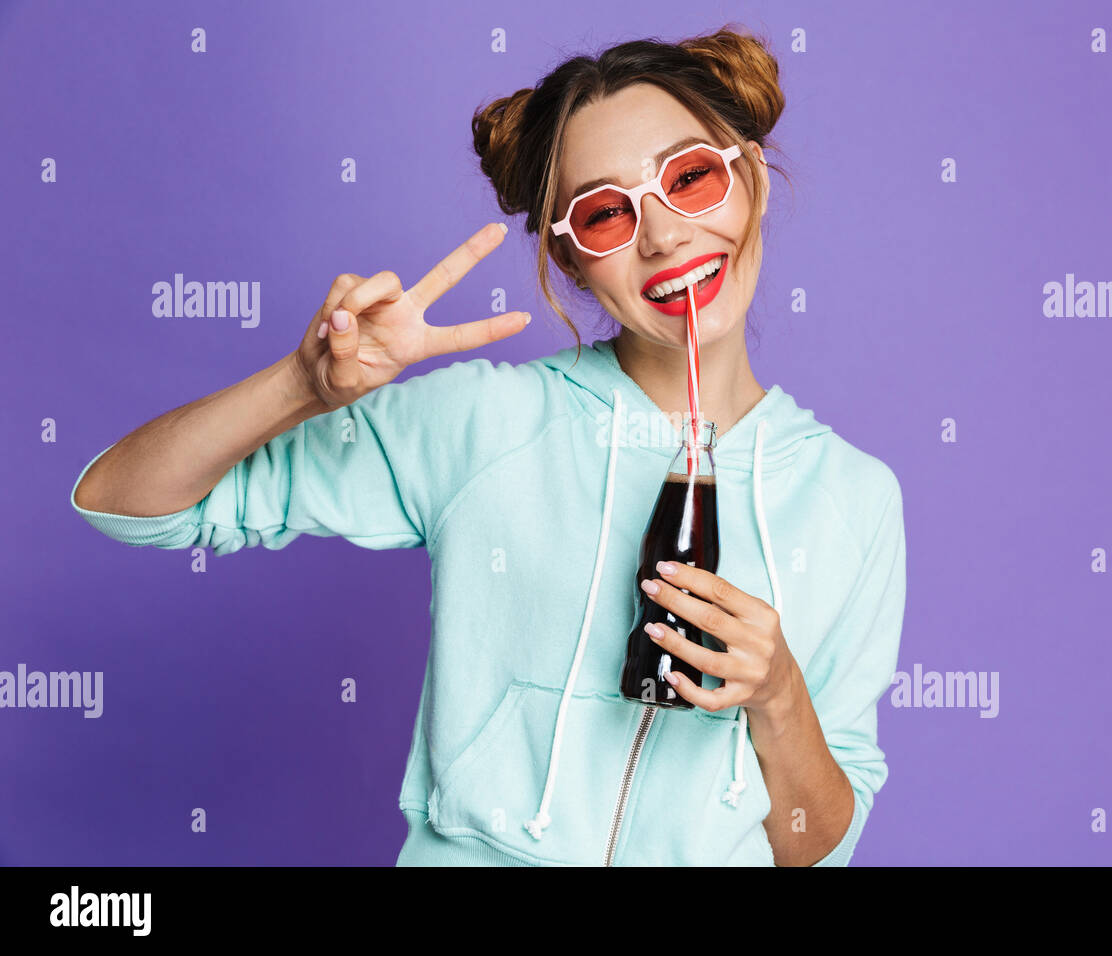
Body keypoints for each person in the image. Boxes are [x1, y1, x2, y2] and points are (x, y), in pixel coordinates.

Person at [70, 25, 906, 867]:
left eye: (690, 178)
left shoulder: (856, 498)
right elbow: (125, 502)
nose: (663, 238)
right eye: (606, 213)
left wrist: (780, 698)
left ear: (750, 178)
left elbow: (815, 848)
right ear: (572, 262)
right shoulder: (482, 425)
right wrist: (301, 386)